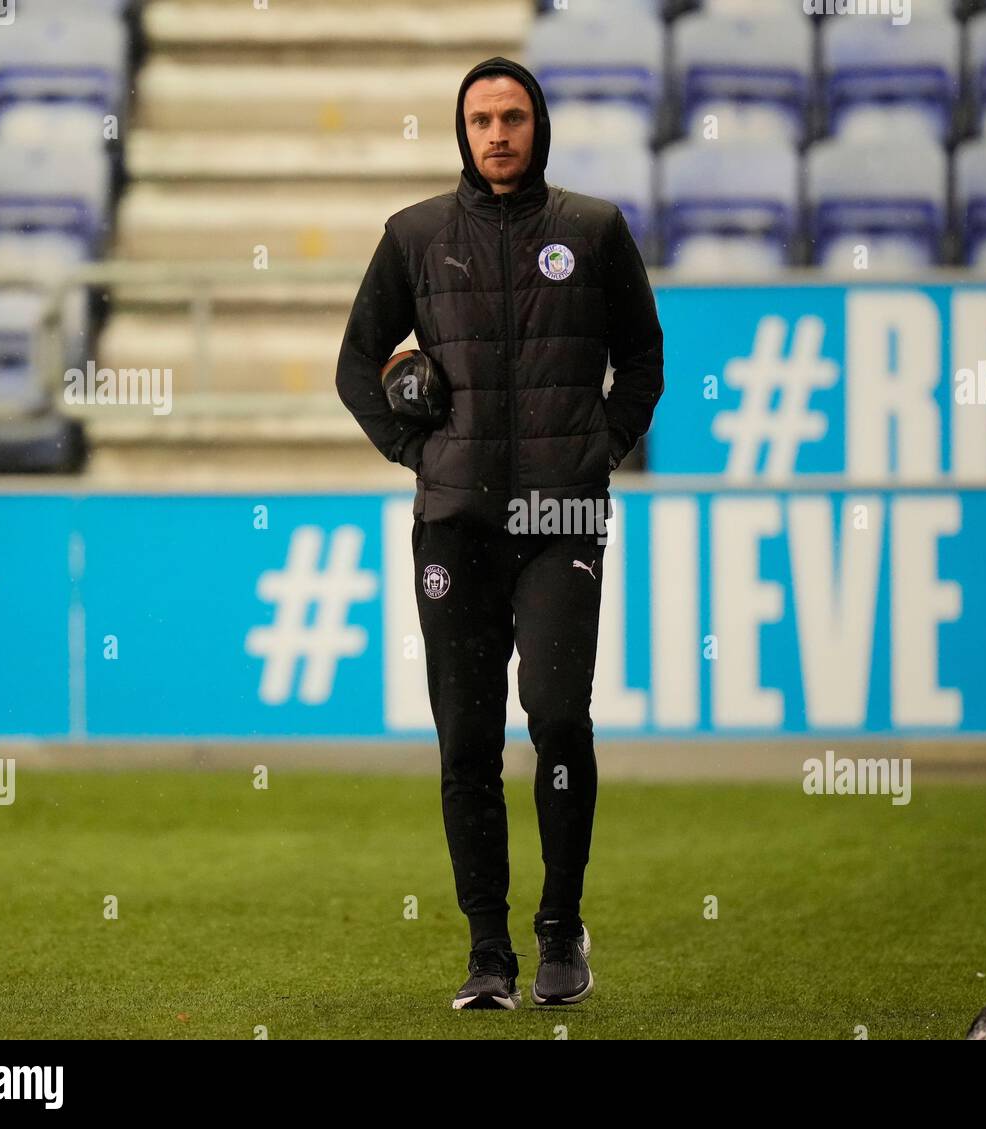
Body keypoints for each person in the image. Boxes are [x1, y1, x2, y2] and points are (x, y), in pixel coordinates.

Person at [335, 55, 663, 1009]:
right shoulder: (416, 235)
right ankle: (489, 951)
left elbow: (643, 357)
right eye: (480, 120)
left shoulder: (594, 231)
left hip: (561, 515)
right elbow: (359, 364)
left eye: (513, 116)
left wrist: (599, 445)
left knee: (558, 717)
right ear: (462, 131)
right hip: (456, 525)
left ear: (539, 125)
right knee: (466, 742)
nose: (498, 134)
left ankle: (560, 927)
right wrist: (415, 450)